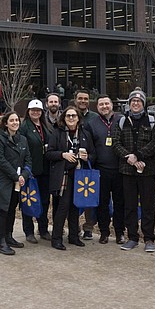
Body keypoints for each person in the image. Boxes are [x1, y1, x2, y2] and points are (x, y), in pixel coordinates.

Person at [114, 88, 155, 252]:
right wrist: (130, 158)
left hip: (147, 170)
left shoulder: (153, 120)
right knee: (130, 205)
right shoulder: (121, 121)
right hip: (127, 169)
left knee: (148, 205)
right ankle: (132, 237)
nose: (135, 103)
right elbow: (116, 143)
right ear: (129, 104)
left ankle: (149, 238)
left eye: (139, 101)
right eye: (132, 101)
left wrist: (139, 156)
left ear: (144, 104)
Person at [0, 111, 31, 255]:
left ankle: (9, 236)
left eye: (17, 120)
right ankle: (1, 241)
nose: (15, 122)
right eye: (12, 120)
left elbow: (28, 159)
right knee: (3, 210)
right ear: (6, 123)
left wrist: (24, 175)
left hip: (17, 181)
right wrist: (16, 176)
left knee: (12, 209)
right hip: (3, 181)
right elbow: (0, 161)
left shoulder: (22, 139)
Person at [46, 106, 91, 251]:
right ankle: (56, 238)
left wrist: (87, 157)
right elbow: (49, 154)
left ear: (78, 118)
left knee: (75, 206)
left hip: (79, 175)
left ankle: (73, 236)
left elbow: (94, 154)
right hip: (63, 175)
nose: (71, 118)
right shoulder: (57, 133)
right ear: (63, 118)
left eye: (74, 116)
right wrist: (62, 155)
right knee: (63, 206)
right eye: (68, 116)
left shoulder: (85, 133)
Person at [84, 94, 126, 244]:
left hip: (120, 169)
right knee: (102, 203)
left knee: (120, 202)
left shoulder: (122, 120)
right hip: (101, 170)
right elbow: (90, 147)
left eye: (106, 104)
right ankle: (104, 232)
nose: (104, 107)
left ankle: (120, 232)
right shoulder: (92, 123)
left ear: (111, 105)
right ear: (97, 107)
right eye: (101, 104)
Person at [19, 99, 52, 243]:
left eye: (38, 110)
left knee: (44, 201)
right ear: (28, 111)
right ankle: (28, 231)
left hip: (45, 169)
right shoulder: (24, 127)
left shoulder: (46, 125)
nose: (35, 112)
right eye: (33, 110)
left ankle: (43, 229)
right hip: (30, 170)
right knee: (29, 200)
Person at [73, 89, 97, 239]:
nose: (83, 101)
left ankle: (88, 227)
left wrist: (91, 157)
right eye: (80, 98)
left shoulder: (94, 118)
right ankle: (74, 227)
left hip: (90, 163)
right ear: (75, 100)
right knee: (72, 198)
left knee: (88, 196)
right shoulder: (68, 114)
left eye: (86, 99)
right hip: (71, 165)